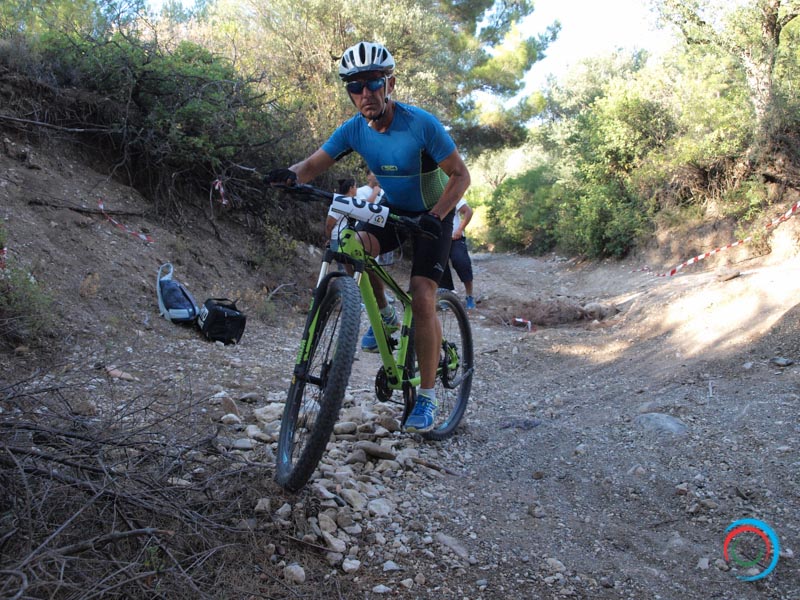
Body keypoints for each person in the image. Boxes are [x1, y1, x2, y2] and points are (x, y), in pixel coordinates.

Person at [266, 41, 470, 433]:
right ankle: (385, 316)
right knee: (351, 246)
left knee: (422, 294)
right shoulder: (354, 130)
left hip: (434, 215)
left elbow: (461, 176)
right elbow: (311, 165)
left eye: (374, 83)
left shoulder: (421, 124)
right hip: (393, 211)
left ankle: (426, 398)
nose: (365, 93)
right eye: (355, 86)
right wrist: (289, 175)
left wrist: (437, 215)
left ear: (389, 83)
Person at [439, 198, 476, 309]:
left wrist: (460, 229)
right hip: (439, 239)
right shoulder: (428, 197)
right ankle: (446, 297)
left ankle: (469, 296)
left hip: (455, 238)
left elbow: (468, 211)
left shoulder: (453, 194)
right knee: (441, 268)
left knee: (462, 262)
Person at [326, 177, 357, 251]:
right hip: (339, 238)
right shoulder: (338, 203)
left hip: (351, 240)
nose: (357, 189)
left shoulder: (356, 204)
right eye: (355, 186)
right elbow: (329, 225)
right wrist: (330, 239)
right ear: (351, 188)